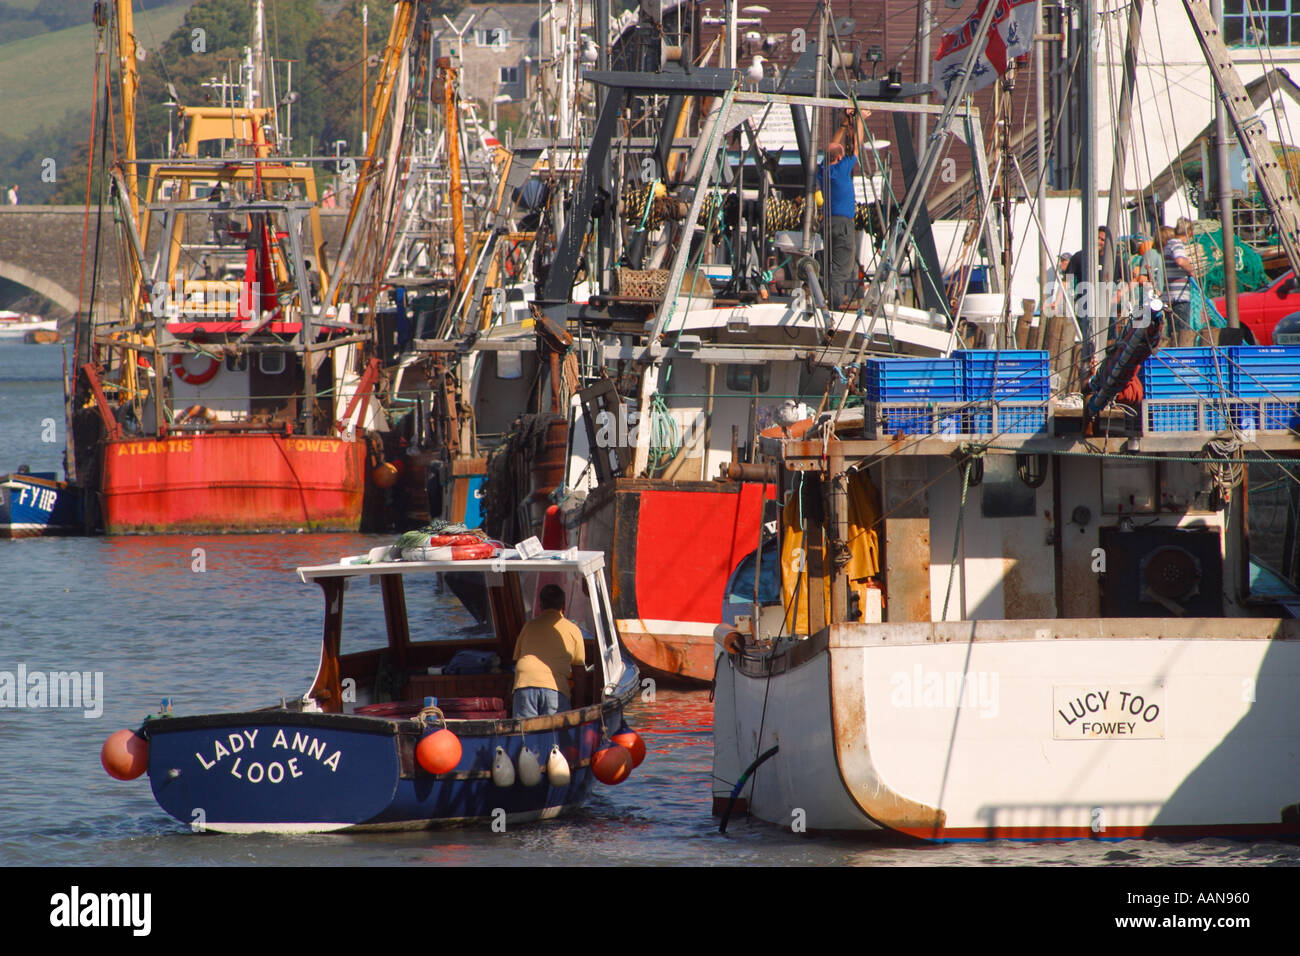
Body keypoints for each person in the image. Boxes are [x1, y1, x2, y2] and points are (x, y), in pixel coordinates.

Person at [817, 107, 871, 309]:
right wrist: (860, 120)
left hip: (827, 224)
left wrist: (842, 126)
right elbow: (856, 144)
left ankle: (822, 300)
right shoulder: (842, 168)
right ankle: (833, 308)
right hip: (842, 225)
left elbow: (832, 146)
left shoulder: (823, 171)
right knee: (841, 271)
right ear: (840, 157)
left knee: (830, 268)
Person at [511, 584, 585, 718]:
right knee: (555, 734)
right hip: (555, 689)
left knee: (524, 735)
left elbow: (517, 660)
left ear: (541, 606)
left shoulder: (529, 626)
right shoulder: (573, 630)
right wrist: (580, 704)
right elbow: (579, 672)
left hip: (524, 684)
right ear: (564, 606)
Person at [1163, 219, 1195, 338]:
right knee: (1181, 334)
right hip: (1179, 297)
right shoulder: (1177, 244)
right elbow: (1180, 260)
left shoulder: (1169, 243)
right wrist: (1191, 270)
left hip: (1171, 296)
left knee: (1173, 333)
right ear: (1190, 232)